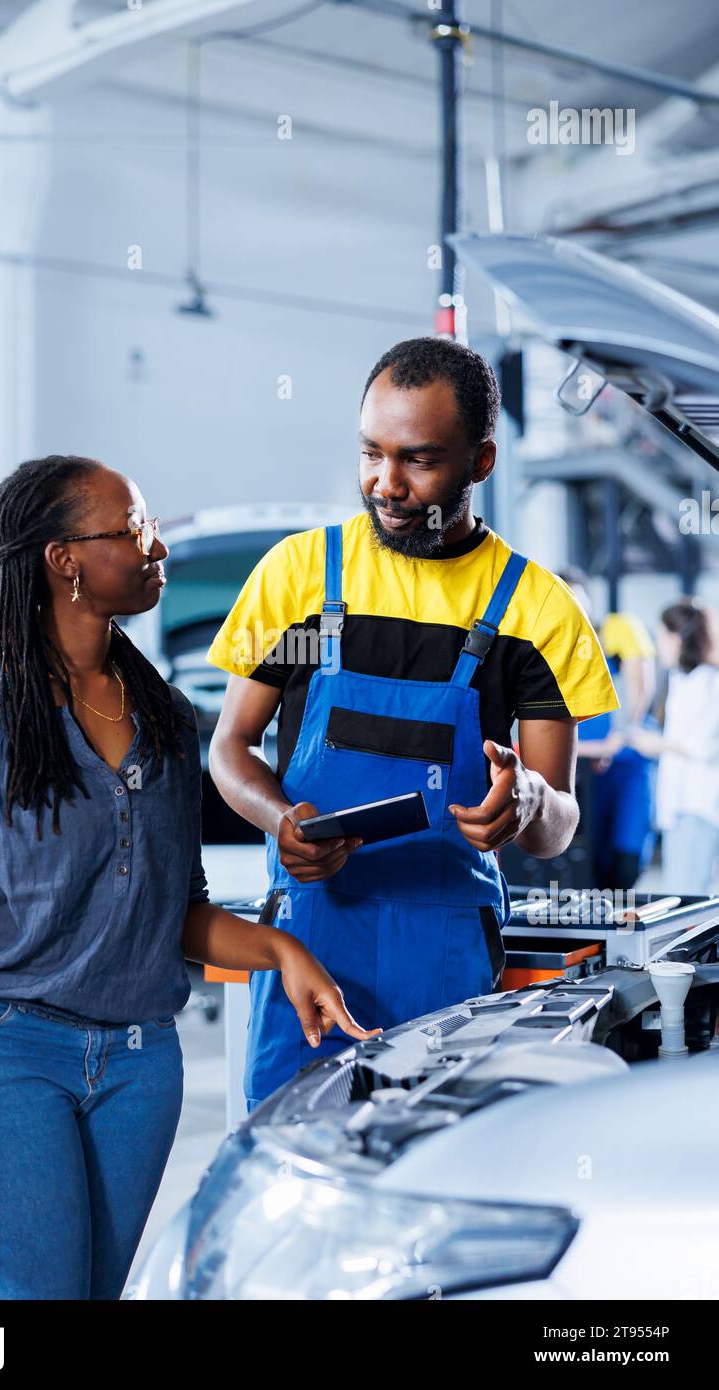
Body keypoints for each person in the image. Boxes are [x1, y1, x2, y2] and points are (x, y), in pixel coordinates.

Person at [0, 455, 379, 1301]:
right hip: (5, 1058)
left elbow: (177, 914)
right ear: (63, 559)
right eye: (133, 528)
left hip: (139, 1066)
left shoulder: (161, 716)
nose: (155, 546)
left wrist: (283, 952)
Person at [205, 338, 619, 1111]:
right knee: (294, 1171)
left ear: (482, 461)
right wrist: (278, 817)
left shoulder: (536, 613)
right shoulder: (299, 580)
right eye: (371, 453)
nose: (386, 485)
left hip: (448, 957)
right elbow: (230, 748)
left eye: (419, 461)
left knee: (439, 1169)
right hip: (309, 939)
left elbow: (559, 824)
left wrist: (528, 802)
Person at [558, 569, 658, 891]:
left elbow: (642, 689)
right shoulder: (556, 646)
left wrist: (618, 739)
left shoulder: (619, 629)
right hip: (583, 769)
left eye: (576, 594)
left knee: (626, 859)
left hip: (626, 763)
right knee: (588, 860)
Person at [625, 598, 719, 896]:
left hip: (697, 804)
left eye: (661, 637)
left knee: (688, 899)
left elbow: (705, 746)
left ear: (678, 637)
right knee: (682, 893)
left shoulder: (709, 682)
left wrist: (659, 744)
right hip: (679, 806)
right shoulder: (682, 680)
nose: (658, 646)